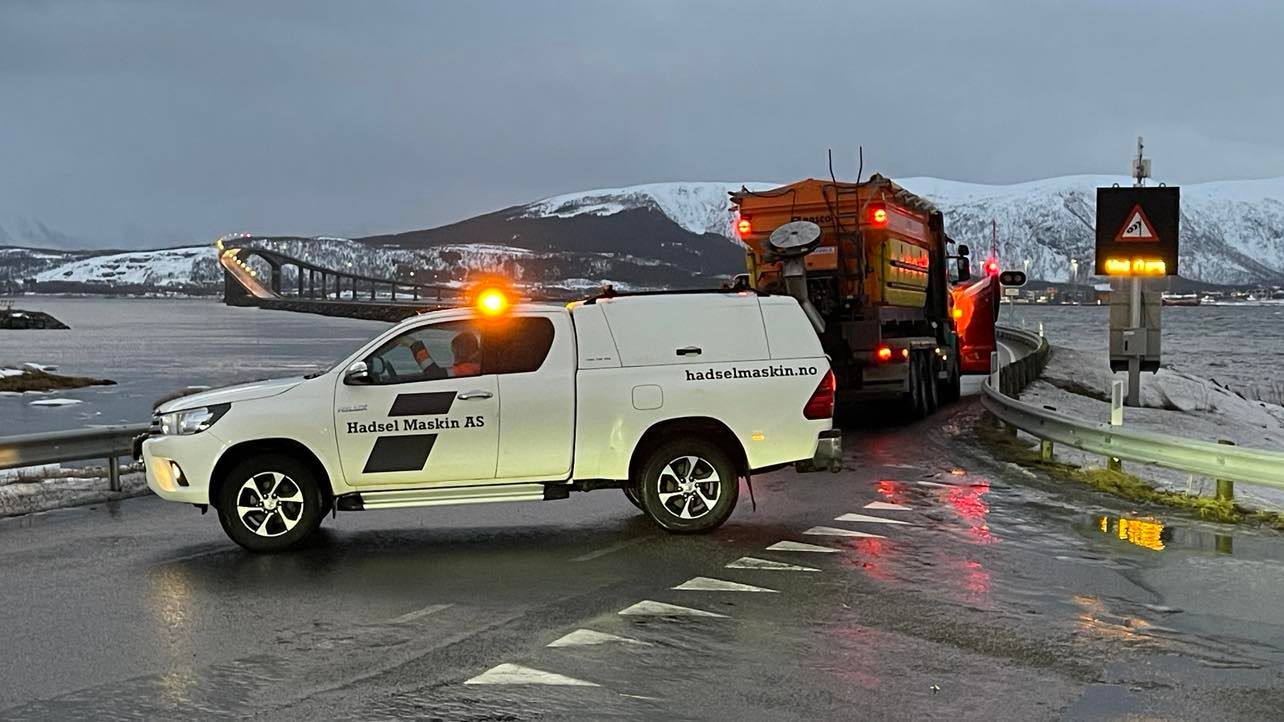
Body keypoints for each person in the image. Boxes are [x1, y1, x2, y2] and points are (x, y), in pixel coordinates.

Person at [400, 329, 481, 379]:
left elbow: (435, 374)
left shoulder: (469, 369)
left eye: (454, 350)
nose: (453, 355)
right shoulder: (475, 365)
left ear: (462, 351)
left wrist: (414, 345)